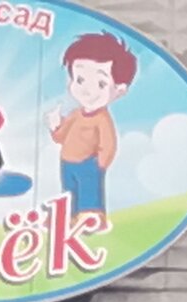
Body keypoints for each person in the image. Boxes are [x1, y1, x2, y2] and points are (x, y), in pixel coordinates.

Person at [47, 32, 138, 227]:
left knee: (89, 193)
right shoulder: (76, 114)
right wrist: (55, 126)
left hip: (88, 164)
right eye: (80, 80)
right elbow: (61, 137)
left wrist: (99, 164)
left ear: (120, 90)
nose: (87, 90)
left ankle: (92, 218)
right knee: (69, 192)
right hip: (67, 162)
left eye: (101, 84)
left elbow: (108, 144)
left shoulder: (102, 119)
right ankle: (69, 218)